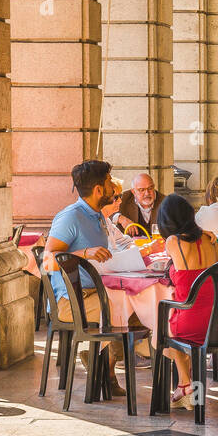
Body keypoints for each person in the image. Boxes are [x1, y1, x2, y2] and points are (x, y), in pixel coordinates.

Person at [42, 159, 126, 395]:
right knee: (121, 307)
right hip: (70, 301)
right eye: (110, 182)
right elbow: (48, 261)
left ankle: (103, 366)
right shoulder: (71, 217)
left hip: (94, 293)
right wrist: (83, 254)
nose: (114, 188)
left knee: (129, 301)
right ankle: (103, 369)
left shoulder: (97, 215)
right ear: (98, 189)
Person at [157, 193, 218, 408]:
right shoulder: (211, 240)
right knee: (176, 321)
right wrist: (206, 233)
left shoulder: (172, 241)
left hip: (190, 323)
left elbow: (172, 262)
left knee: (164, 328)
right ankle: (186, 388)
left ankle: (185, 384)